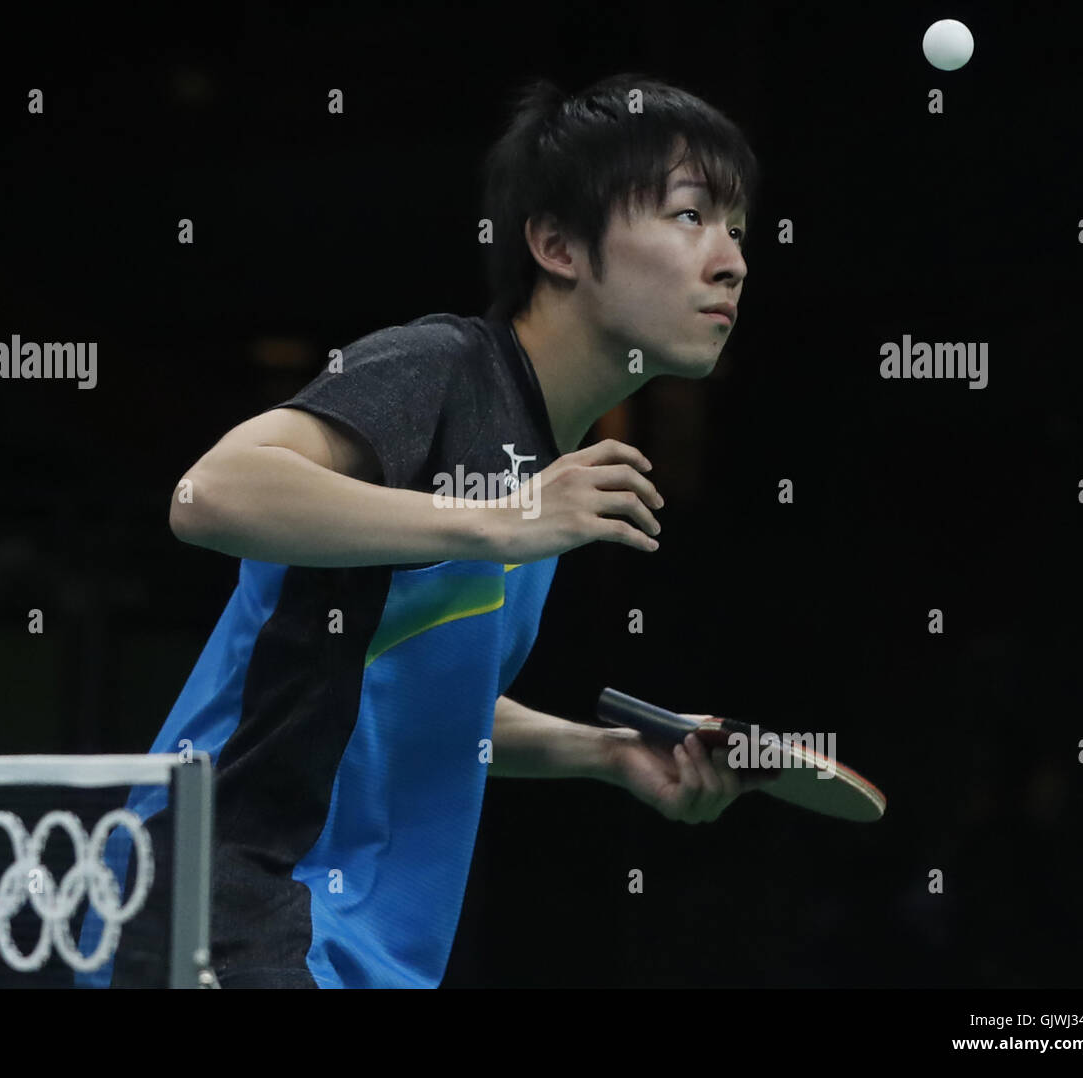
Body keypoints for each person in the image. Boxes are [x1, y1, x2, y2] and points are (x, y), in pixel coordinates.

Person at [86, 71, 762, 989]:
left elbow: (414, 697)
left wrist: (606, 753)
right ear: (557, 244)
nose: (730, 260)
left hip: (361, 949)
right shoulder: (441, 371)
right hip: (227, 904)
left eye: (737, 229)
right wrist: (502, 520)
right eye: (690, 215)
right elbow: (211, 492)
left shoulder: (542, 464)